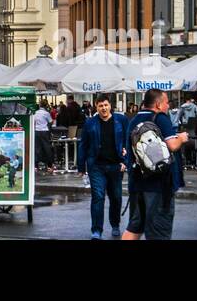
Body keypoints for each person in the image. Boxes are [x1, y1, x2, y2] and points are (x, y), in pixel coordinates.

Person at [122, 89, 188, 241]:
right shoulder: (160, 118)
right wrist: (182, 138)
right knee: (159, 232)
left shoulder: (133, 121)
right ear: (158, 104)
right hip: (159, 186)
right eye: (166, 103)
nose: (168, 106)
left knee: (134, 227)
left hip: (137, 184)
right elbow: (172, 145)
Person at [78, 95, 127, 240]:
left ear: (110, 105)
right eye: (100, 106)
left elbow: (129, 140)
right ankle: (96, 230)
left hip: (116, 166)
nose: (103, 108)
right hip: (96, 166)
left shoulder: (121, 120)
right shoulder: (90, 123)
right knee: (98, 197)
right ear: (96, 107)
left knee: (116, 197)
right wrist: (81, 167)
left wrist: (126, 160)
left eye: (105, 105)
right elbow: (83, 145)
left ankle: (115, 224)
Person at [32, 101, 53, 171]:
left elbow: (33, 122)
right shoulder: (46, 113)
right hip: (45, 131)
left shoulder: (35, 113)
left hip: (37, 131)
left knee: (37, 148)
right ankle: (49, 165)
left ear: (40, 105)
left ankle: (36, 165)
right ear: (46, 106)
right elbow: (50, 122)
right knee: (47, 148)